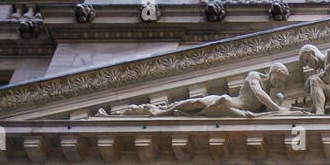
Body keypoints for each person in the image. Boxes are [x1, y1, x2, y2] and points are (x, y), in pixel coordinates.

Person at [104, 63, 293, 117]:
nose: (282, 80)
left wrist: (278, 103)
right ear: (274, 72)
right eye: (281, 76)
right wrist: (278, 109)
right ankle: (161, 111)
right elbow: (258, 95)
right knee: (198, 102)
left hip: (233, 110)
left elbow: (270, 111)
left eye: (284, 78)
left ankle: (175, 112)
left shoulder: (275, 92)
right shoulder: (255, 76)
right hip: (229, 101)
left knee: (217, 106)